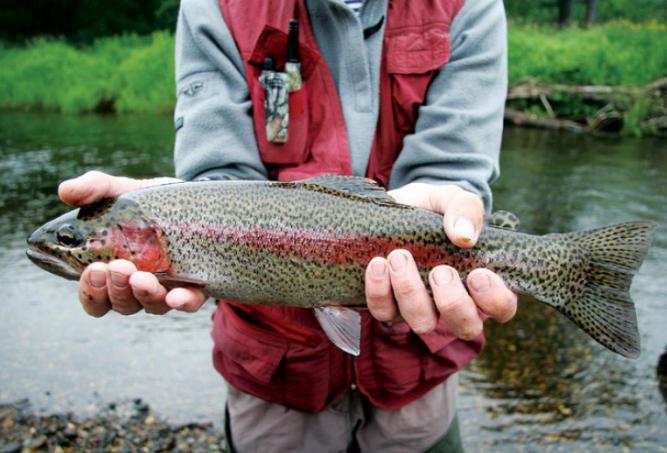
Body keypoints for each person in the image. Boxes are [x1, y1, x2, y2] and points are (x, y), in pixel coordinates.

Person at [58, 0, 517, 450]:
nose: (67, 246)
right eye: (69, 241)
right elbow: (221, 179)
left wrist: (450, 203)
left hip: (418, 359)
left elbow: (452, 169)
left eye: (69, 241)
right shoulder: (215, 6)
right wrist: (185, 201)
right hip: (273, 371)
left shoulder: (467, 6)